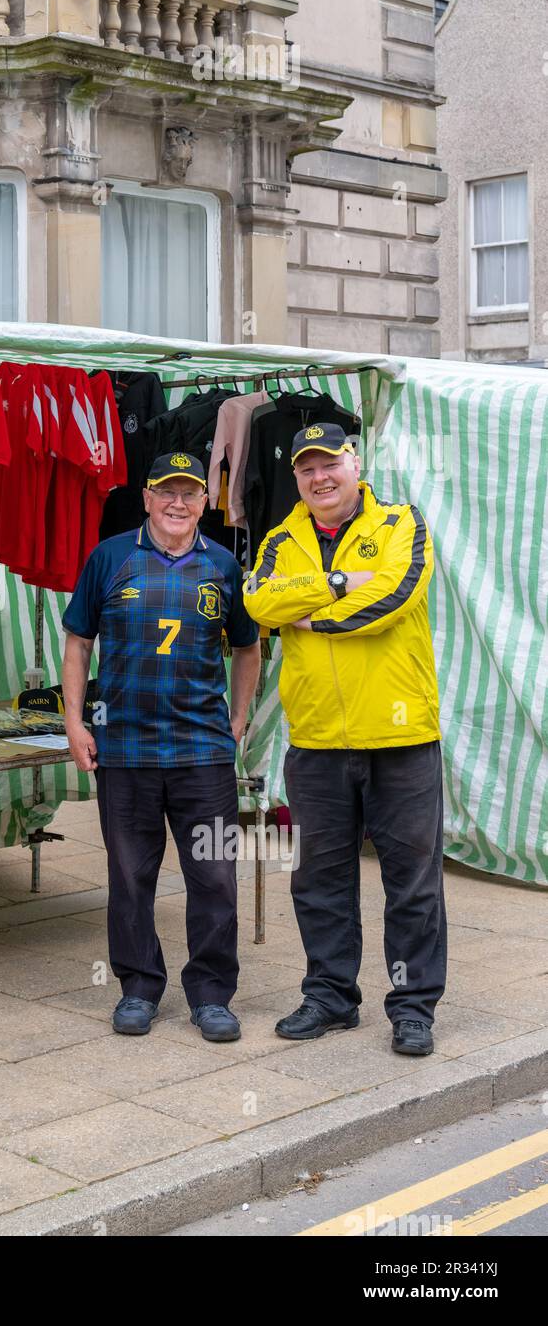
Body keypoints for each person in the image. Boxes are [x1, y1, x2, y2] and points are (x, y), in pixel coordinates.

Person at [242, 424, 445, 1057]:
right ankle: (330, 997)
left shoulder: (401, 523)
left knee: (411, 882)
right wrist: (334, 583)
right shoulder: (279, 539)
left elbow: (394, 597)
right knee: (319, 880)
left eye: (329, 463)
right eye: (306, 469)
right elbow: (258, 603)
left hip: (400, 735)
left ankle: (412, 1008)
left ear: (354, 463)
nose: (319, 477)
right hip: (318, 740)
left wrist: (311, 617)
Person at [62, 452, 261, 1042]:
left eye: (190, 493)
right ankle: (139, 988)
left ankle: (211, 995)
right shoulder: (110, 557)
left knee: (215, 877)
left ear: (205, 501)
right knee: (130, 876)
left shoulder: (223, 565)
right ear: (146, 498)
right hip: (125, 752)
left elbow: (247, 648)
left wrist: (240, 716)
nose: (178, 503)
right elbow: (77, 643)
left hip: (203, 755)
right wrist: (75, 723)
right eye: (166, 492)